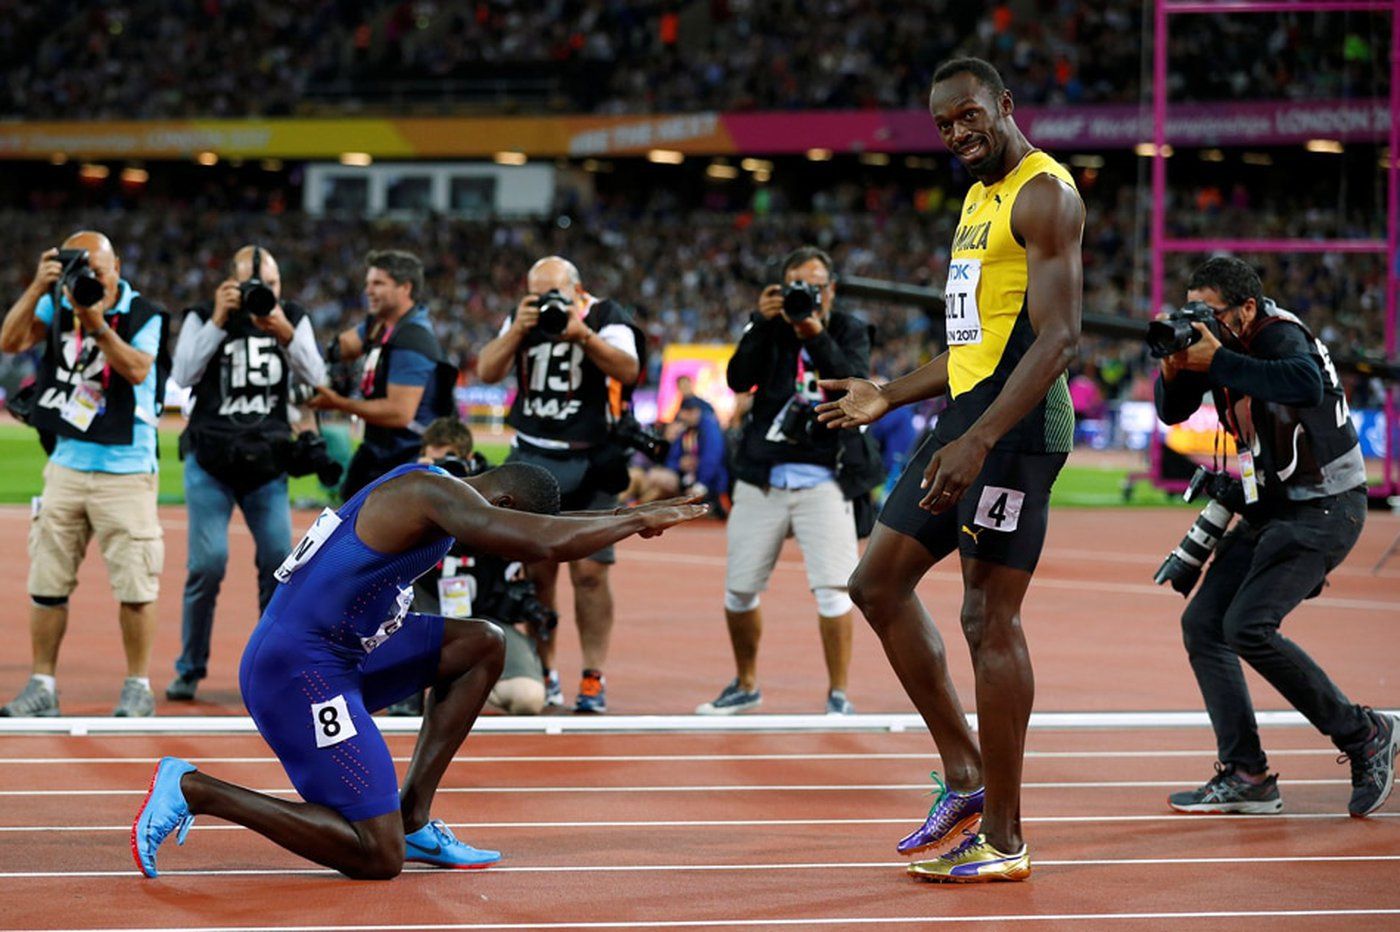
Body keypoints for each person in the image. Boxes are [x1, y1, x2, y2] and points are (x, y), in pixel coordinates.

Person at [131, 460, 707, 880]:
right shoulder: (429, 493)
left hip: (344, 652)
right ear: (503, 508)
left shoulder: (445, 494)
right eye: (509, 530)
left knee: (482, 643)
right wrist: (632, 519)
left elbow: (540, 531)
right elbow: (543, 542)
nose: (507, 549)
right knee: (378, 856)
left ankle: (413, 817)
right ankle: (195, 788)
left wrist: (615, 516)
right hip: (298, 672)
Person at [817, 58, 1083, 882]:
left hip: (1019, 426)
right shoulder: (977, 201)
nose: (958, 134)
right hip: (968, 419)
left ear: (1006, 104)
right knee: (875, 585)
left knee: (985, 620)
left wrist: (977, 442)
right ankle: (965, 775)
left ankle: (1005, 838)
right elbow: (975, 345)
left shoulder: (1046, 193)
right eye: (944, 125)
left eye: (970, 116)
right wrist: (892, 395)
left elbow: (1059, 339)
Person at [1154, 256, 1396, 818]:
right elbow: (1173, 412)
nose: (1200, 321)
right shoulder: (1217, 342)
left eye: (1209, 311)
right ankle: (1248, 775)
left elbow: (1304, 382)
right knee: (1204, 625)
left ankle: (1365, 734)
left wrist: (1221, 358)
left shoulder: (1279, 333)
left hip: (1327, 506)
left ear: (1244, 308)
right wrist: (1173, 368)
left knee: (1248, 626)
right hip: (1272, 505)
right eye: (1193, 310)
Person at [696, 245, 883, 717]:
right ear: (780, 290)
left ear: (832, 289)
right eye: (798, 285)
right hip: (762, 478)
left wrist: (813, 330)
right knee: (739, 589)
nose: (808, 293)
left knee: (835, 590)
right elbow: (738, 380)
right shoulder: (766, 328)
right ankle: (745, 683)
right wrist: (762, 323)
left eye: (816, 285)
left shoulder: (850, 329)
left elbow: (854, 384)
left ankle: (839, 695)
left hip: (826, 476)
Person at [0, 232, 170, 718]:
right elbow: (10, 341)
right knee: (46, 581)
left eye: (100, 268)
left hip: (127, 467)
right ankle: (41, 686)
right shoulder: (59, 302)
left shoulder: (146, 314)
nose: (92, 278)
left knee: (137, 585)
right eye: (82, 268)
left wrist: (95, 323)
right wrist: (37, 288)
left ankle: (138, 686)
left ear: (118, 264)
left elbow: (138, 369)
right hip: (67, 464)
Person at [476, 256, 643, 713]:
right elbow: (486, 371)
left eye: (554, 293)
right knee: (537, 574)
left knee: (590, 573)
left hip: (591, 457)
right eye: (536, 294)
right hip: (532, 456)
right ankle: (545, 669)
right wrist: (516, 330)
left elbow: (629, 370)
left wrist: (582, 335)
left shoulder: (606, 317)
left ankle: (592, 676)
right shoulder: (522, 317)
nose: (546, 302)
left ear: (578, 289)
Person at [167, 244, 327, 702]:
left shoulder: (292, 318)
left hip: (267, 464)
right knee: (207, 564)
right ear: (230, 284)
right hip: (210, 460)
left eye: (272, 285)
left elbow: (317, 377)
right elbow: (182, 375)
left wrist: (285, 332)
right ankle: (189, 667)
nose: (263, 292)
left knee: (280, 563)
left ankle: (270, 670)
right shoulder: (205, 315)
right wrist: (219, 319)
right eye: (253, 284)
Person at [385, 416, 548, 717]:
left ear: (470, 460)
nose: (445, 472)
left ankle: (466, 678)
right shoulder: (406, 492)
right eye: (434, 463)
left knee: (528, 699)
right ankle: (412, 677)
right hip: (424, 614)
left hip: (483, 616)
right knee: (401, 705)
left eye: (451, 462)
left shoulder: (497, 496)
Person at [312, 250, 456, 499]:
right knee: (348, 516)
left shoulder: (412, 338)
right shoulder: (380, 326)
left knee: (376, 531)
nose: (368, 290)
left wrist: (337, 403)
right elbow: (338, 348)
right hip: (379, 449)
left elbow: (399, 413)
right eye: (368, 283)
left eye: (378, 283)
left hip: (409, 456)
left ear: (405, 288)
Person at [629, 396, 727, 505]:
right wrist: (679, 464)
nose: (682, 417)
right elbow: (671, 459)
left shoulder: (709, 426)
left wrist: (701, 483)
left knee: (655, 479)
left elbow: (712, 458)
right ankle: (635, 507)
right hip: (685, 478)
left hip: (708, 481)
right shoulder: (686, 430)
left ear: (694, 411)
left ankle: (634, 507)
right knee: (654, 483)